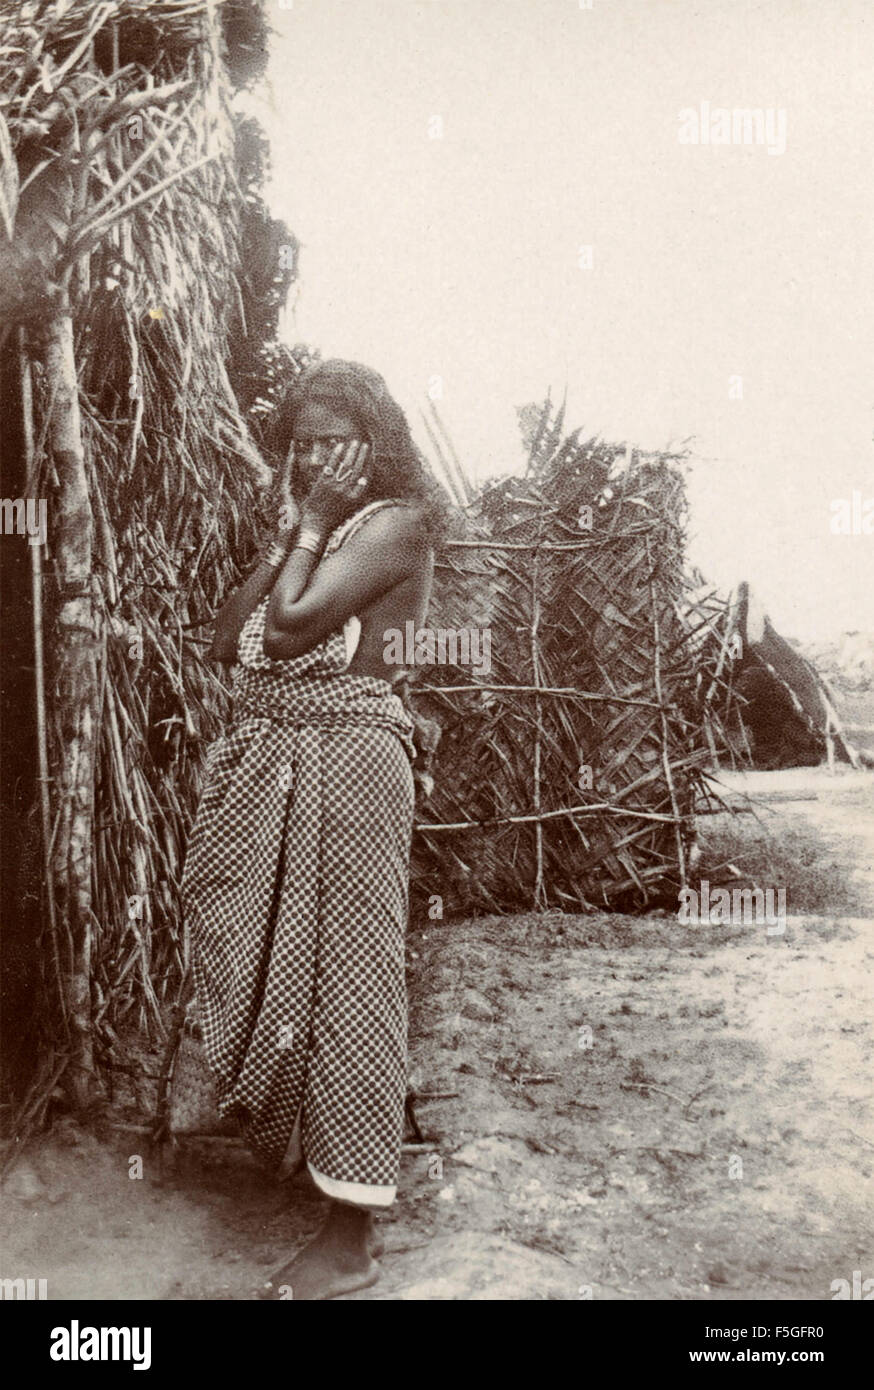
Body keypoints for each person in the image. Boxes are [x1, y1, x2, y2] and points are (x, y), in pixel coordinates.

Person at [181, 360, 445, 1299]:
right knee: (276, 961)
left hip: (352, 768)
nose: (315, 458)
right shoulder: (319, 532)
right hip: (287, 762)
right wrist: (298, 530)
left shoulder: (396, 527)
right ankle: (317, 1160)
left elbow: (289, 631)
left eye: (335, 441)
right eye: (302, 442)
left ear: (376, 447)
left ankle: (351, 1240)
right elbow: (226, 639)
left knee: (354, 980)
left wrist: (309, 529)